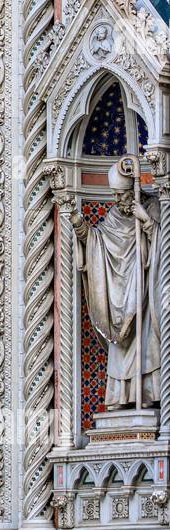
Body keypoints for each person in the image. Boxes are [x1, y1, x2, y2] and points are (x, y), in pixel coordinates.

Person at [70, 159, 161, 407]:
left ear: (133, 190)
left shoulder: (152, 206)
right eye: (114, 195)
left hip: (145, 292)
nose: (117, 200)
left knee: (147, 344)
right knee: (120, 347)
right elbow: (98, 242)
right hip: (120, 295)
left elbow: (163, 247)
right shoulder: (113, 216)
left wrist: (146, 221)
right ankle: (121, 396)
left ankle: (148, 395)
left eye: (121, 194)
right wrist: (80, 226)